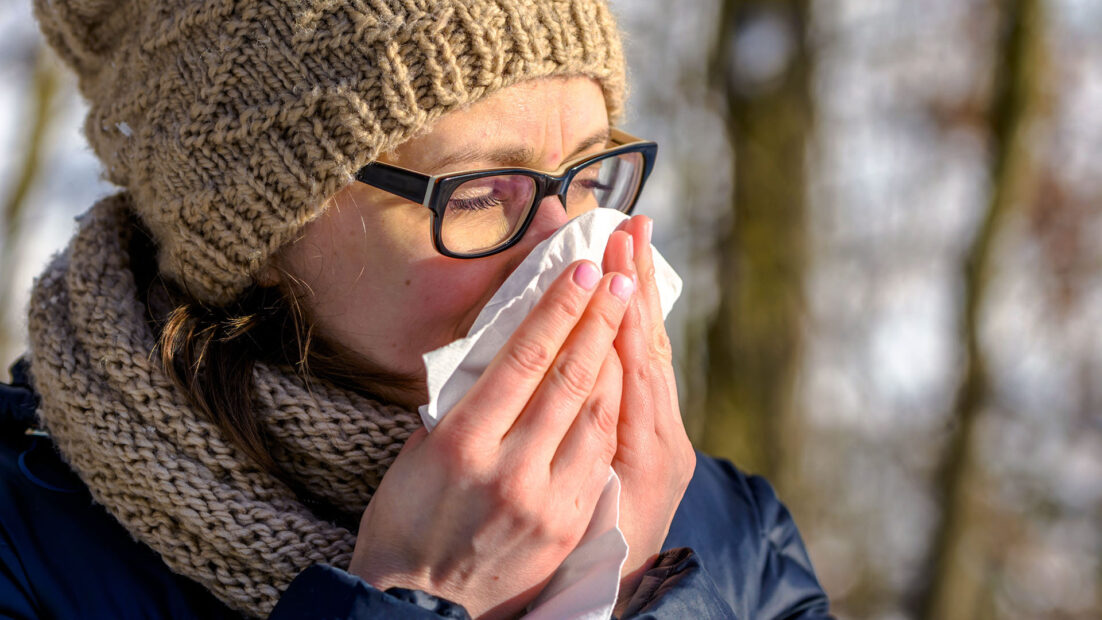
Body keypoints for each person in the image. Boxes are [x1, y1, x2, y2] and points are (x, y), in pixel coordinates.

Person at [0, 0, 832, 618]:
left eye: (588, 173)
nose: (567, 246)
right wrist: (426, 601)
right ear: (256, 242)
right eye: (478, 193)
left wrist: (629, 590)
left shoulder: (730, 546)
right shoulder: (27, 553)